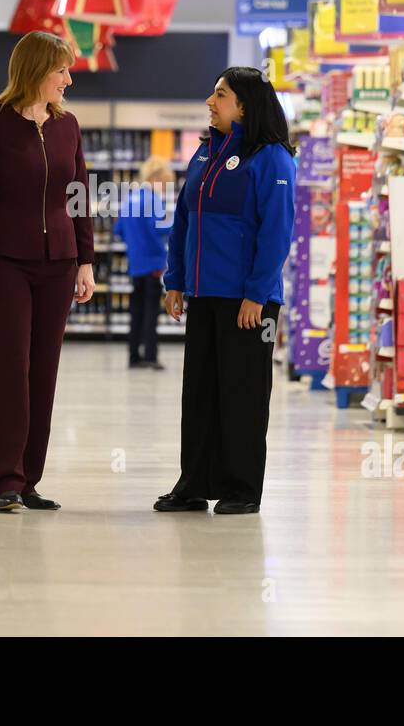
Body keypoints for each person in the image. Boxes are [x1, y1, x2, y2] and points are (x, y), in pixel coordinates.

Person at [0, 31, 96, 513]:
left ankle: (30, 479)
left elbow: (79, 195)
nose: (68, 79)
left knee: (44, 370)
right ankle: (5, 480)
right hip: (6, 262)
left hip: (59, 264)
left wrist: (86, 260)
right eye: (61, 70)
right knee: (10, 369)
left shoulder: (68, 126)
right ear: (36, 71)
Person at [156, 66, 296, 515]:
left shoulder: (271, 157)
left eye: (220, 94)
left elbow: (277, 231)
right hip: (202, 293)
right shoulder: (205, 154)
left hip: (248, 302)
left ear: (244, 105)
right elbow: (183, 221)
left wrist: (257, 294)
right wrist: (174, 280)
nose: (209, 102)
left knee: (243, 394)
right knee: (198, 393)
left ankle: (242, 489)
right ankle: (193, 484)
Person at [114, 156, 174, 370]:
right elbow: (157, 228)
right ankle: (150, 355)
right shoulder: (153, 199)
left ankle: (133, 355)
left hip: (135, 263)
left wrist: (134, 243)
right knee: (151, 311)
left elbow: (118, 230)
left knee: (136, 310)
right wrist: (177, 224)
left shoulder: (130, 198)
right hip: (153, 263)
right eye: (166, 183)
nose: (166, 188)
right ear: (157, 178)